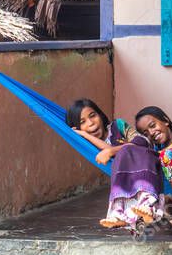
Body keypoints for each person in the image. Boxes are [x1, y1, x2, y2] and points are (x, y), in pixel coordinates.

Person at [67, 98, 164, 230]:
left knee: (126, 151)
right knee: (121, 159)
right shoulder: (88, 145)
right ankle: (120, 215)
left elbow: (142, 141)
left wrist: (112, 150)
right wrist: (86, 136)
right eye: (82, 122)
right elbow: (107, 150)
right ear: (78, 128)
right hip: (126, 175)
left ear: (100, 115)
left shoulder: (117, 126)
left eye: (92, 116)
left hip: (147, 162)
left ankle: (148, 206)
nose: (90, 123)